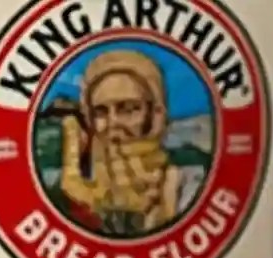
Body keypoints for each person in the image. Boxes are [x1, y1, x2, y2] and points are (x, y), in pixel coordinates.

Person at [59, 49, 183, 237]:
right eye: (101, 112)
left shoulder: (183, 183)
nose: (113, 122)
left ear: (154, 114)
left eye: (129, 109)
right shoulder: (76, 188)